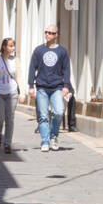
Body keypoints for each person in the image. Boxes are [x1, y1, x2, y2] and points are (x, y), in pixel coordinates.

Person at [28, 24, 71, 152]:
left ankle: (53, 135)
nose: (47, 35)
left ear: (56, 35)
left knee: (59, 111)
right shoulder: (39, 50)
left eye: (51, 33)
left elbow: (66, 70)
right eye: (46, 32)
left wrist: (66, 86)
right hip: (41, 86)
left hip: (57, 87)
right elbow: (32, 68)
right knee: (43, 116)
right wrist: (31, 85)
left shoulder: (62, 51)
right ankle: (45, 141)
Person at [0, 37, 18, 153]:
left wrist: (22, 92)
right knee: (0, 118)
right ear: (4, 47)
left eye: (13, 45)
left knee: (10, 119)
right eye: (10, 46)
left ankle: (7, 144)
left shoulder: (15, 60)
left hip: (12, 92)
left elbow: (19, 75)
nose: (13, 48)